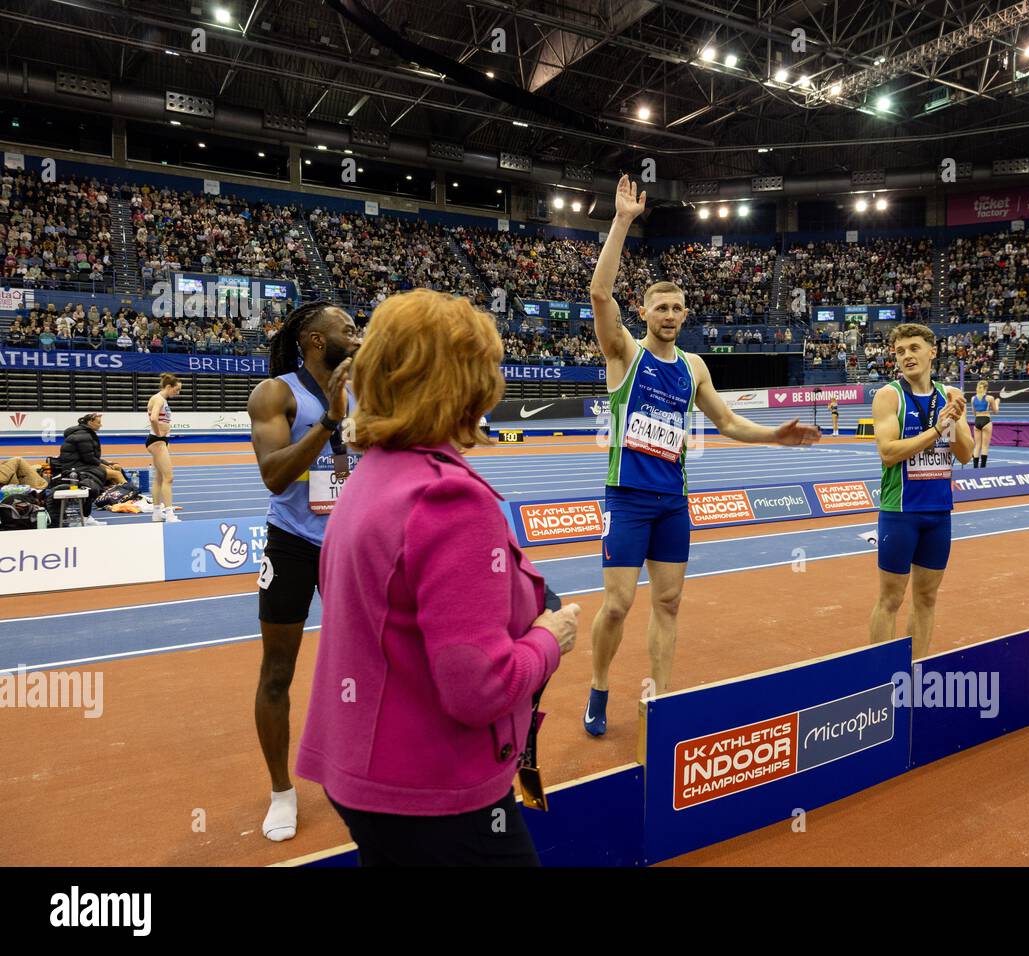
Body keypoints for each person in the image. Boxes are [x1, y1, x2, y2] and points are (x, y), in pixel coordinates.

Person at [296, 289, 580, 867]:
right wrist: (552, 638)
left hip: (361, 771)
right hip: (436, 790)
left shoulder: (370, 477)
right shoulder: (448, 496)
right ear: (464, 383)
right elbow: (478, 688)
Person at [583, 175, 821, 736]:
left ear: (686, 315)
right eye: (660, 306)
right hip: (627, 499)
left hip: (672, 502)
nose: (670, 314)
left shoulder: (693, 368)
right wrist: (621, 221)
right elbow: (598, 295)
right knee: (616, 605)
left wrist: (774, 436)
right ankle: (598, 687)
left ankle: (660, 700)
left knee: (667, 604)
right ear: (644, 314)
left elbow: (728, 421)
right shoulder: (624, 354)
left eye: (678, 308)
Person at [247, 301, 361, 843]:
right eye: (347, 328)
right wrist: (332, 421)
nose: (356, 334)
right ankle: (281, 792)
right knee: (277, 674)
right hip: (293, 544)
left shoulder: (369, 385)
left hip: (350, 546)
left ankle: (358, 773)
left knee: (368, 663)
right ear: (316, 341)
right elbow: (274, 475)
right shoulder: (276, 393)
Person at [869, 323, 975, 659]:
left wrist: (955, 422)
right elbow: (888, 453)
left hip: (939, 512)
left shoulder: (950, 396)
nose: (906, 356)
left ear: (932, 351)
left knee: (926, 598)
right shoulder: (889, 396)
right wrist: (937, 428)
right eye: (900, 351)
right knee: (891, 599)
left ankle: (915, 668)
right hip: (900, 512)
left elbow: (965, 454)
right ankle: (881, 676)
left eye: (914, 348)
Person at [145, 373, 183, 523]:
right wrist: (159, 433)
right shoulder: (158, 399)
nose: (178, 393)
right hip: (157, 440)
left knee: (159, 478)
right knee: (169, 478)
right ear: (169, 386)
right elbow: (154, 418)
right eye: (177, 389)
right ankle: (169, 514)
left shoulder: (161, 400)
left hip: (160, 440)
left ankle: (156, 513)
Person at [969, 380, 999, 468]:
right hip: (986, 420)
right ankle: (983, 468)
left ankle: (975, 467)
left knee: (977, 445)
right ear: (986, 388)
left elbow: (974, 413)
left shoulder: (973, 398)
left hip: (977, 421)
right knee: (985, 446)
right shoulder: (990, 398)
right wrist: (997, 402)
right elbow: (996, 411)